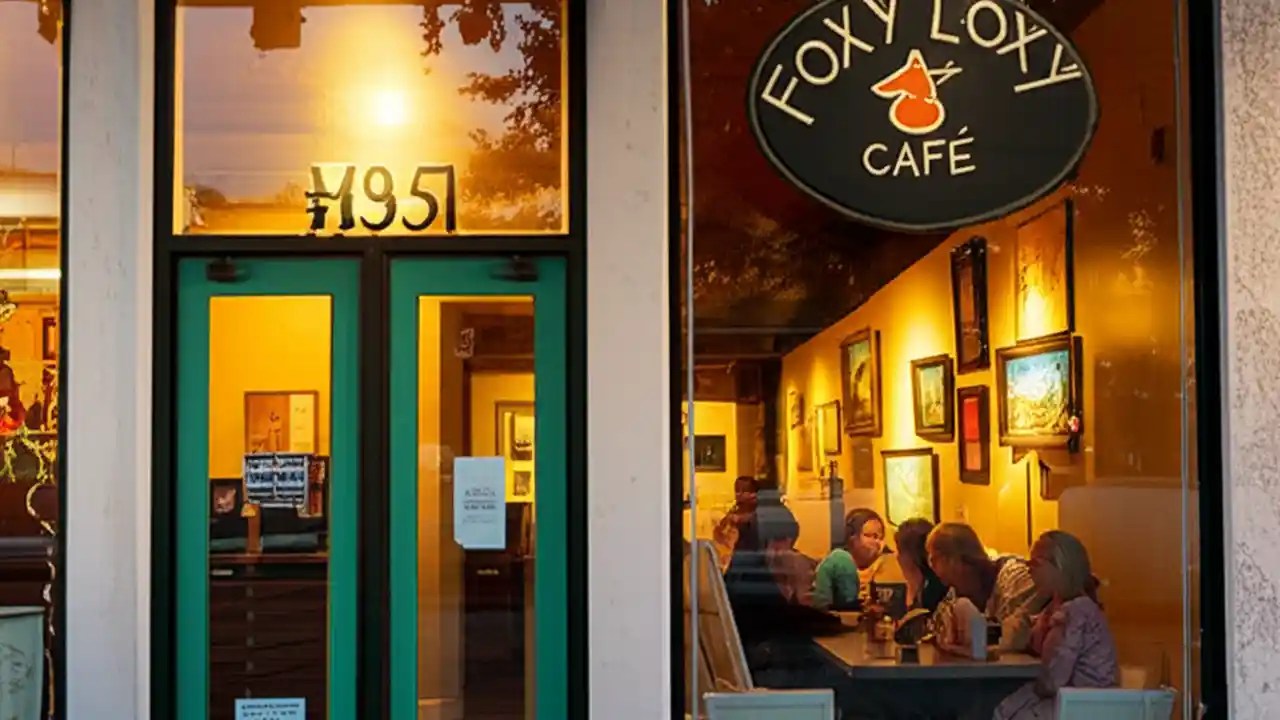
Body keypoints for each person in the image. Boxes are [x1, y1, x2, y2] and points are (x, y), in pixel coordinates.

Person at [993, 531, 1119, 719]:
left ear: (1061, 566)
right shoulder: (1059, 609)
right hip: (1075, 702)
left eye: (1035, 563)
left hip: (1083, 707)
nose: (1028, 570)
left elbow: (1053, 680)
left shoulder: (1076, 613)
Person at [926, 523, 1047, 655]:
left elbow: (1011, 639)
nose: (931, 566)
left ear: (954, 559)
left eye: (933, 559)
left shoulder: (1017, 579)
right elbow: (936, 631)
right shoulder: (956, 590)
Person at [811, 508, 885, 611]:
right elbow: (849, 606)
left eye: (880, 537)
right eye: (869, 535)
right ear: (851, 536)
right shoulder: (842, 560)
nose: (877, 543)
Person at [895, 517, 948, 613]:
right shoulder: (930, 581)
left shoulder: (935, 590)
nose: (897, 556)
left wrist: (912, 584)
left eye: (899, 550)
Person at [713, 476, 760, 559]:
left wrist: (741, 518)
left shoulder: (757, 509)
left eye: (744, 491)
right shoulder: (735, 508)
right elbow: (720, 530)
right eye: (737, 490)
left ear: (753, 494)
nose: (739, 494)